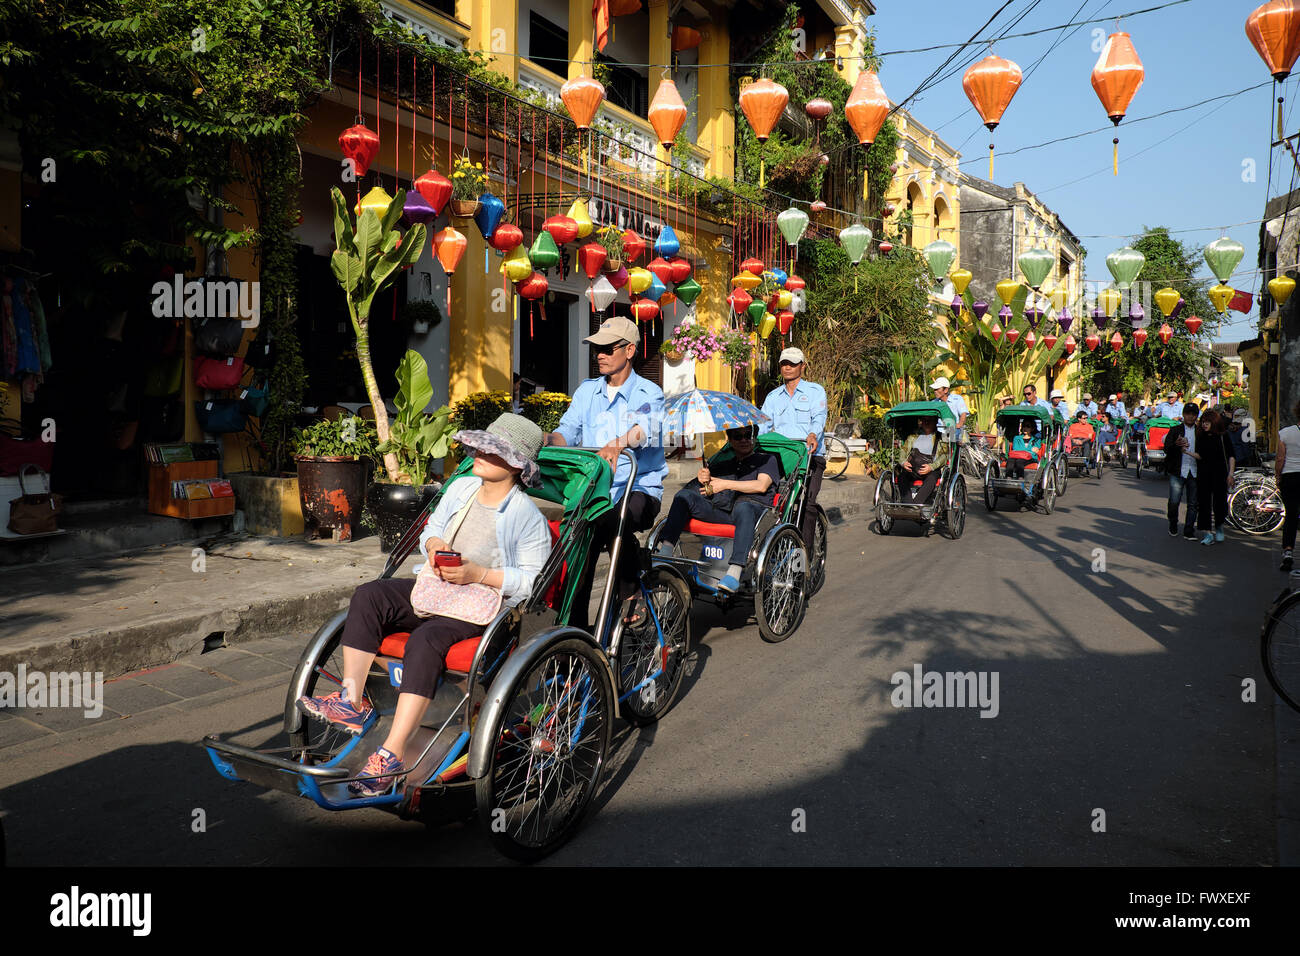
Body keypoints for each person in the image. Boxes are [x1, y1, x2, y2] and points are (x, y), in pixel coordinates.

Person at [297, 413, 552, 796]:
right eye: (480, 445)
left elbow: (533, 580)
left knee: (426, 640)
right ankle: (352, 700)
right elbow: (432, 528)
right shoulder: (462, 489)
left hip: (480, 603)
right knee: (369, 595)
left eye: (492, 451)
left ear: (516, 465)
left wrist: (477, 574)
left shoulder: (526, 516)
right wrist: (434, 547)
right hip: (435, 587)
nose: (478, 452)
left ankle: (392, 753)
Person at [547, 316, 667, 629]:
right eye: (596, 349)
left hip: (638, 488)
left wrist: (618, 443)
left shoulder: (649, 392)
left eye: (607, 348)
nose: (599, 354)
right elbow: (568, 430)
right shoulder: (587, 392)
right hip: (594, 492)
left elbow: (647, 428)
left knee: (612, 518)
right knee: (576, 556)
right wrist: (546, 442)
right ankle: (574, 633)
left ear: (629, 351)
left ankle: (629, 590)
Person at [655, 424, 778, 592]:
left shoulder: (766, 460)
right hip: (725, 512)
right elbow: (706, 490)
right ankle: (666, 552)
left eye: (748, 435)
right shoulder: (723, 464)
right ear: (730, 440)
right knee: (683, 496)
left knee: (744, 507)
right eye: (738, 436)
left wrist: (725, 484)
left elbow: (761, 485)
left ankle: (734, 571)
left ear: (754, 437)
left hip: (754, 512)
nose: (744, 440)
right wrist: (702, 479)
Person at [760, 346, 827, 549]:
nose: (788, 368)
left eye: (792, 364)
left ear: (802, 366)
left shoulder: (815, 391)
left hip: (809, 454)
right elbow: (763, 424)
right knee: (763, 495)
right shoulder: (773, 396)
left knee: (808, 503)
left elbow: (819, 417)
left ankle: (804, 553)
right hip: (780, 454)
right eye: (784, 364)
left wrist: (813, 434)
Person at [1194, 408, 1235, 545]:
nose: (1204, 425)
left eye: (1207, 422)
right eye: (1203, 422)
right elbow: (1200, 455)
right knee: (1204, 503)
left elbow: (1231, 456)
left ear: (1214, 423)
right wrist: (1185, 451)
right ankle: (1207, 532)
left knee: (1220, 503)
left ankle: (1219, 527)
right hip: (1203, 474)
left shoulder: (1223, 436)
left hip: (1220, 473)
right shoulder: (1200, 436)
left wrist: (1231, 474)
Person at [1163, 402, 1201, 539]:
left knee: (1193, 503)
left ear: (1196, 416)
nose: (1190, 417)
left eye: (1193, 414)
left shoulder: (1200, 431)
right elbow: (1166, 449)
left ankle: (1188, 530)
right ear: (1183, 415)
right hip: (1178, 470)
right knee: (1174, 501)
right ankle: (1173, 523)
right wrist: (1176, 445)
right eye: (1188, 414)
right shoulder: (1175, 430)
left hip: (1195, 471)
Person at [896, 413, 950, 503]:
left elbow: (945, 455)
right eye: (924, 420)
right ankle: (908, 505)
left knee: (932, 479)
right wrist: (903, 462)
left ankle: (916, 504)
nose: (927, 422)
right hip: (912, 468)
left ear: (935, 422)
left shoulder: (941, 437)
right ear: (921, 422)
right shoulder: (912, 437)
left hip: (931, 469)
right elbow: (903, 450)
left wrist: (931, 467)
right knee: (902, 477)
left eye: (930, 420)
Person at [1277, 399, 1300, 571]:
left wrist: (1278, 476)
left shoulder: (1285, 433)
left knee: (1291, 514)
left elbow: (1280, 458)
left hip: (1290, 476)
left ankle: (1288, 551)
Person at [930, 376, 968, 441]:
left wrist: (959, 424)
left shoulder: (957, 399)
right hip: (937, 432)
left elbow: (963, 413)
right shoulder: (933, 403)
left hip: (953, 431)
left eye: (937, 389)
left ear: (946, 390)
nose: (935, 391)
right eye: (934, 389)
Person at [1007, 418, 1042, 487]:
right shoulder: (1017, 438)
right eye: (1024, 426)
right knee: (1010, 460)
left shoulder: (1036, 439)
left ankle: (1021, 477)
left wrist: (1028, 451)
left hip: (1030, 457)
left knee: (1020, 461)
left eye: (1028, 426)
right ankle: (1008, 477)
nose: (1025, 428)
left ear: (1032, 428)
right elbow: (1016, 448)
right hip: (1017, 455)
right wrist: (1029, 449)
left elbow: (1036, 450)